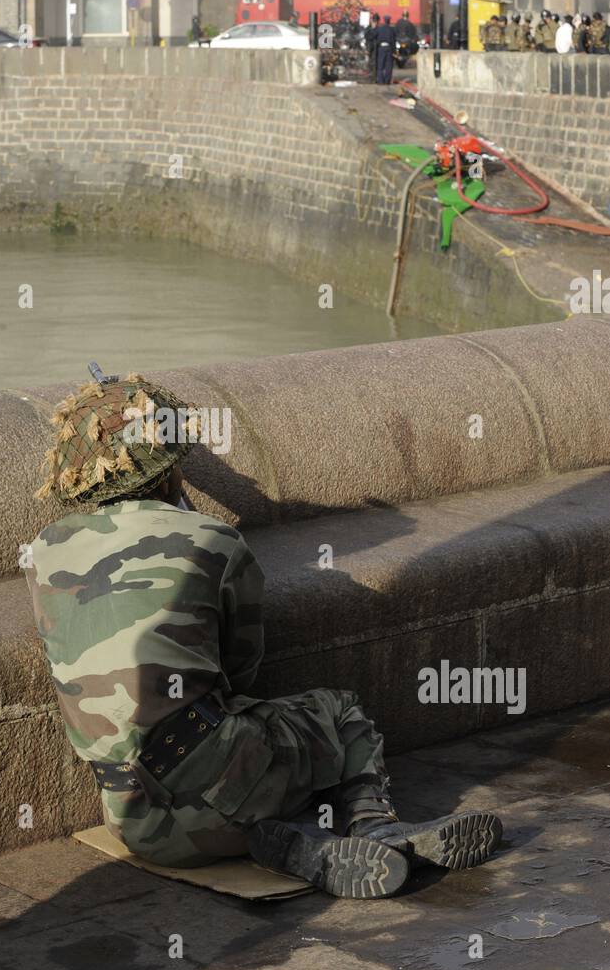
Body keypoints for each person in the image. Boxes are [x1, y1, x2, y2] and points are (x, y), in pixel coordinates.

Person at [25, 369, 503, 899]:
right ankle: (375, 826)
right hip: (221, 777)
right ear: (169, 474)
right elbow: (240, 669)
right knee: (338, 710)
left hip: (135, 819)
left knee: (223, 772)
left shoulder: (45, 551)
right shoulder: (211, 539)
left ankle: (291, 845)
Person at [375, 14, 395, 84]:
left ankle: (380, 81)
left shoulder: (380, 29)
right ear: (389, 21)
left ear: (384, 21)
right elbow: (393, 41)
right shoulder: (391, 29)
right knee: (388, 65)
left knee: (380, 65)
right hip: (389, 48)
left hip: (381, 48)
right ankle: (387, 81)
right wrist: (394, 51)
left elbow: (376, 38)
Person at [365, 12, 380, 79]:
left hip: (376, 47)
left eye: (376, 22)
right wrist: (372, 29)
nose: (375, 23)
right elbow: (368, 37)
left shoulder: (378, 28)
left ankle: (375, 76)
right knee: (371, 62)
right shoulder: (368, 28)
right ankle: (371, 76)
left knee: (376, 62)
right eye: (374, 21)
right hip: (370, 47)